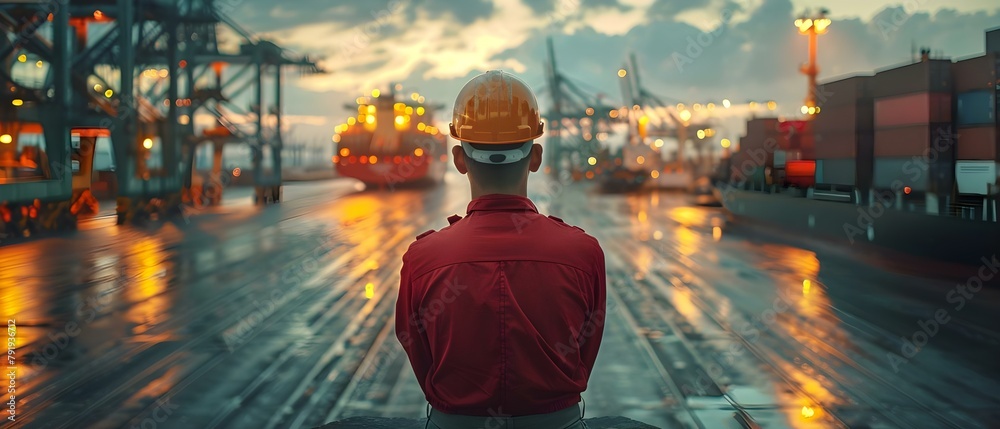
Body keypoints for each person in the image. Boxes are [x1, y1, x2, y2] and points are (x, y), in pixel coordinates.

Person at [395, 70, 607, 429]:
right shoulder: (583, 253)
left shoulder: (422, 258)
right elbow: (586, 347)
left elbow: (415, 345)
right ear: (535, 156)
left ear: (460, 160)